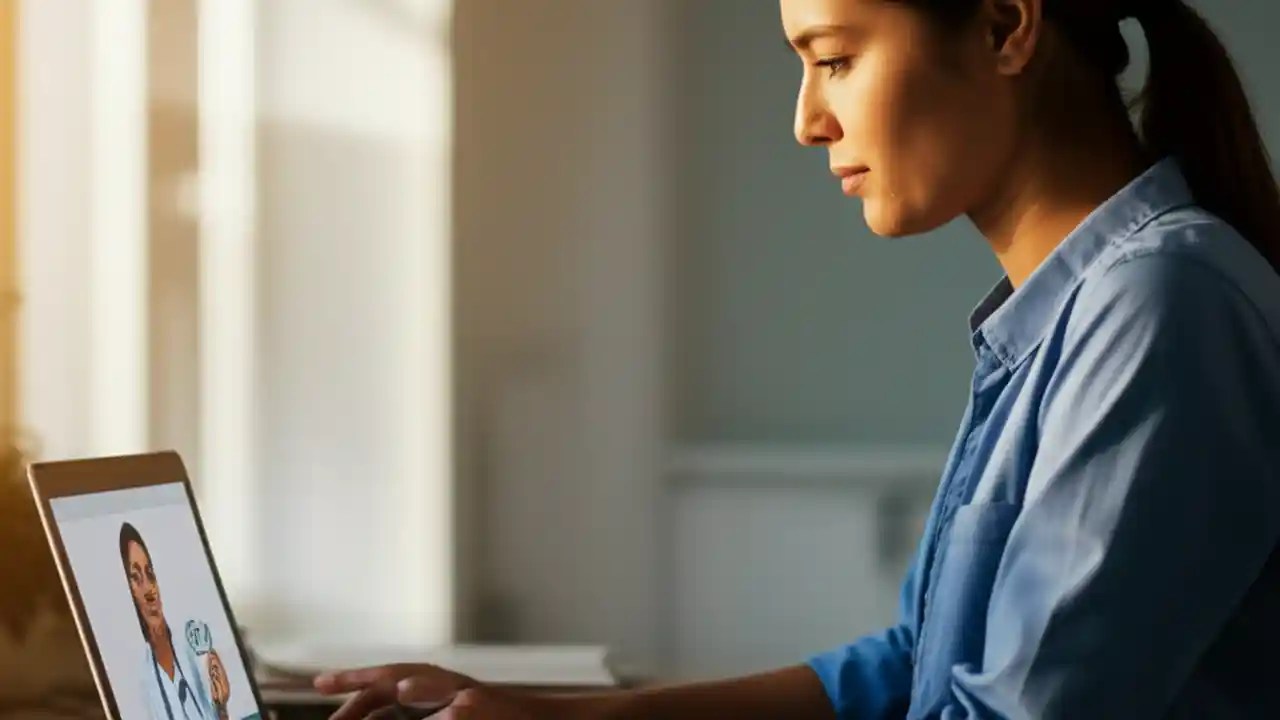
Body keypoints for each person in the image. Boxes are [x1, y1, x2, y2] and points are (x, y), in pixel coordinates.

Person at [314, 0, 1280, 717]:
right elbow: (915, 666)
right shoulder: (1064, 316)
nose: (808, 120)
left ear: (1001, 26)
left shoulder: (1158, 307)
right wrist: (573, 717)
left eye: (835, 59)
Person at [119, 522, 232, 720]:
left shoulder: (189, 647)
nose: (149, 590)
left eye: (150, 573)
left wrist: (221, 706)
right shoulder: (141, 677)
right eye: (136, 578)